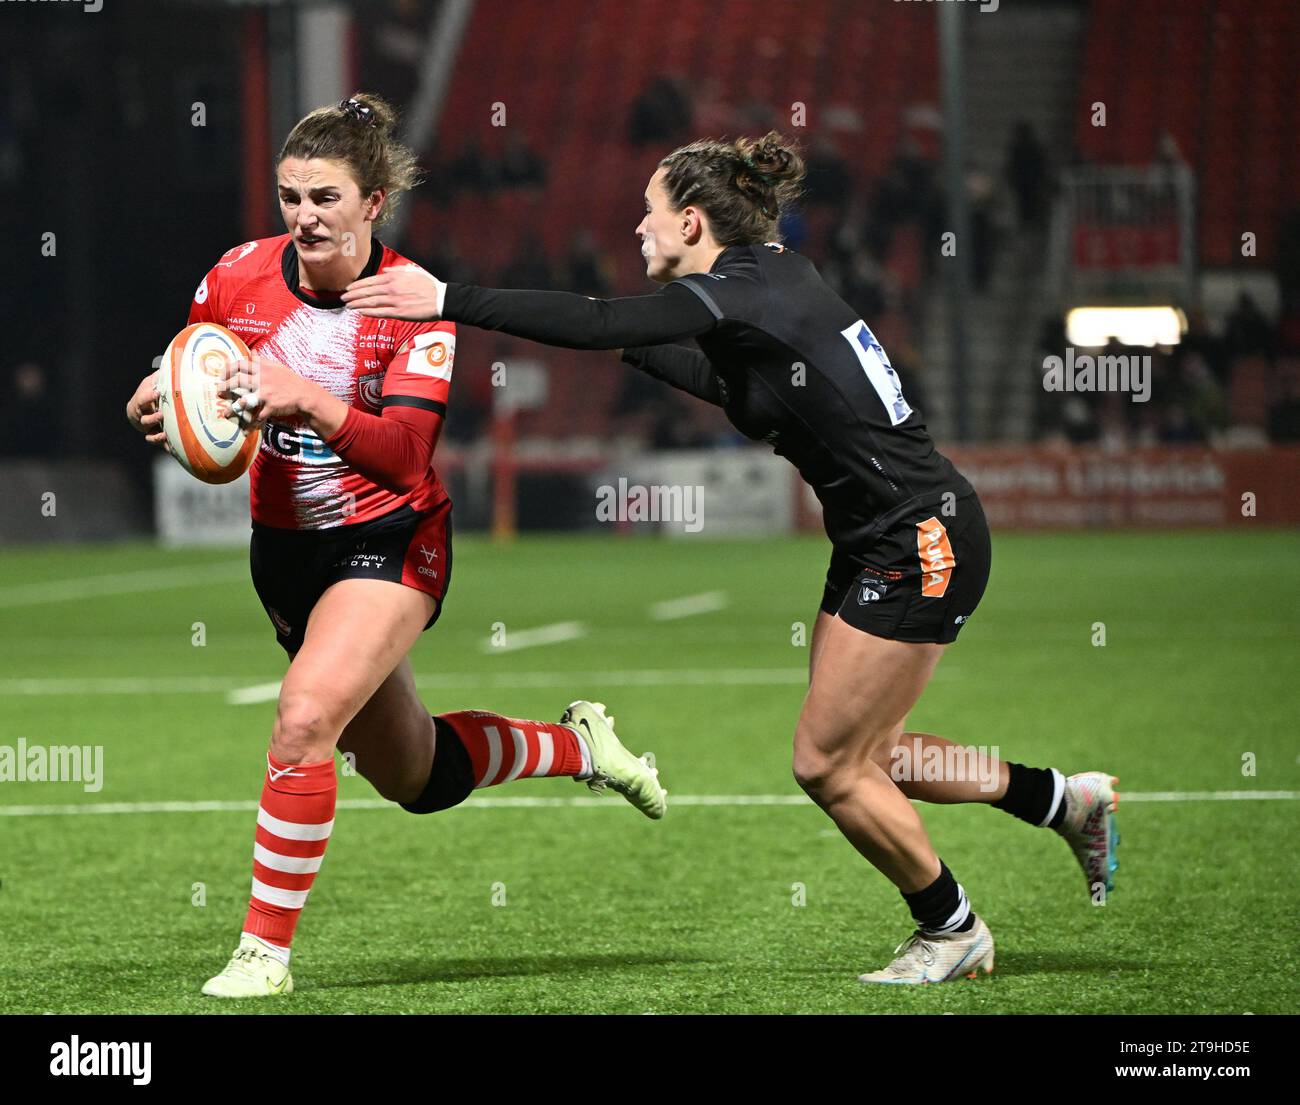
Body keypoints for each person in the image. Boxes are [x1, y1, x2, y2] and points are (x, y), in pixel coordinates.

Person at [342, 131, 1121, 985]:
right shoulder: (774, 282)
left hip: (917, 537)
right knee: (877, 756)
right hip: (894, 533)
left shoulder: (744, 289)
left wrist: (449, 296)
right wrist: (614, 344)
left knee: (827, 764)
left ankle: (953, 928)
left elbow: (604, 317)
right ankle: (1058, 798)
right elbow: (719, 377)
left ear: (689, 220)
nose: (637, 229)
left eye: (648, 214)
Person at [124, 94, 666, 999]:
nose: (304, 217)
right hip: (286, 552)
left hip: (391, 539)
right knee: (416, 775)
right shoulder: (235, 273)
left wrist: (308, 399)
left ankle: (263, 953)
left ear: (373, 203)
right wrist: (155, 398)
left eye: (325, 197)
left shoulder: (415, 304)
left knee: (302, 719)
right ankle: (580, 746)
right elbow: (189, 368)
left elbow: (405, 454)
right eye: (291, 196)